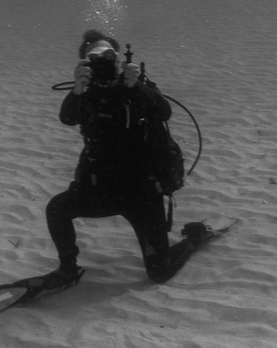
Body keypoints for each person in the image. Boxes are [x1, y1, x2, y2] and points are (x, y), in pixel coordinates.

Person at [43, 29, 210, 287]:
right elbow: (67, 118)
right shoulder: (85, 93)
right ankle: (68, 269)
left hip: (142, 195)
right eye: (93, 56)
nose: (102, 60)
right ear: (85, 62)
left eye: (108, 53)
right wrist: (77, 88)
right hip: (100, 191)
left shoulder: (137, 86)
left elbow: (164, 112)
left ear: (119, 58)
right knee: (56, 208)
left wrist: (137, 87)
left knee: (159, 273)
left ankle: (194, 237)